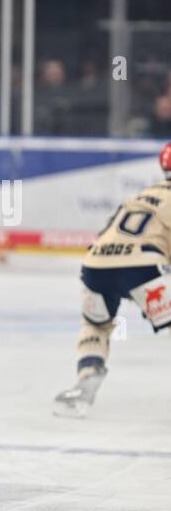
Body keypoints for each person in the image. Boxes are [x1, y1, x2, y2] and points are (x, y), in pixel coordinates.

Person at [53, 142, 171, 417]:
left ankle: (86, 380)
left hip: (97, 264)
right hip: (143, 265)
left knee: (96, 325)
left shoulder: (143, 195)